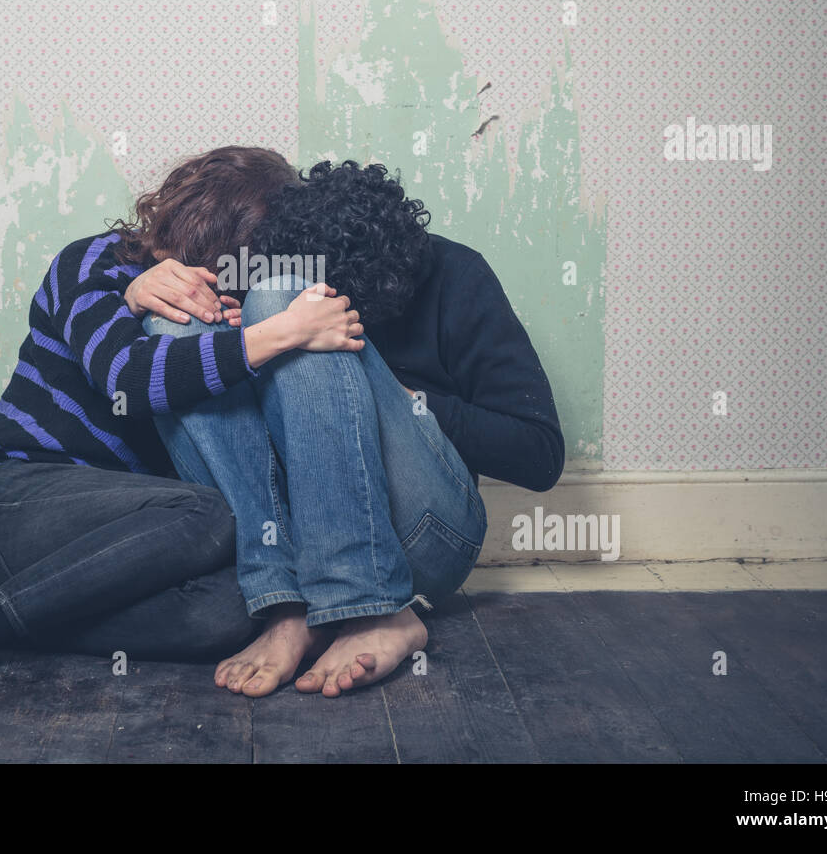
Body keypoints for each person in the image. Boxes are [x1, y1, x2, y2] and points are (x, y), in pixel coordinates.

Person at [0, 146, 362, 708]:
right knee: (204, 512)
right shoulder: (92, 263)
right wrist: (281, 333)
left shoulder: (231, 306)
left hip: (126, 553)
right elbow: (126, 381)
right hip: (19, 504)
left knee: (234, 611)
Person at [140, 160, 565, 698]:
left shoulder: (455, 272)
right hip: (294, 549)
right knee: (175, 319)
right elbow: (150, 261)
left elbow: (540, 455)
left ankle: (372, 610)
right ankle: (287, 610)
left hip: (425, 538)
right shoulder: (274, 254)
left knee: (282, 299)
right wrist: (143, 285)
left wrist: (409, 400)